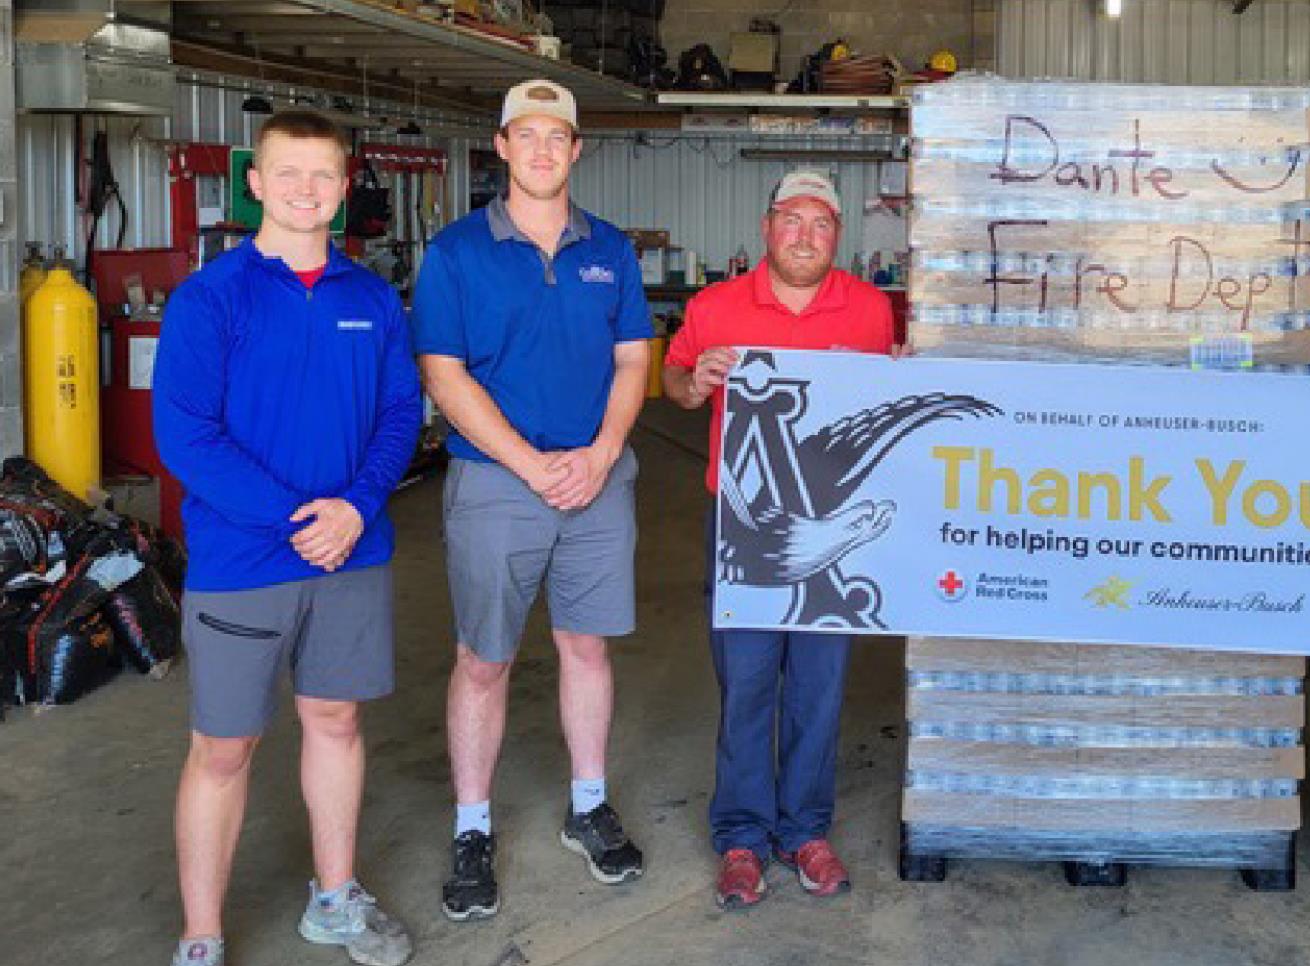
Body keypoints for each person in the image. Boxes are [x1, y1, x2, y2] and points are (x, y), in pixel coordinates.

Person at [154, 110, 422, 966]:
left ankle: (334, 899)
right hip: (243, 561)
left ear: (345, 191)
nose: (307, 191)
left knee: (336, 720)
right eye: (288, 174)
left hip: (351, 550)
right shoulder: (210, 299)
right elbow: (186, 436)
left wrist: (356, 506)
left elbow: (399, 413)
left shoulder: (372, 299)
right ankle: (202, 935)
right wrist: (296, 518)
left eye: (324, 176)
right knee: (224, 746)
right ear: (257, 186)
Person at [411, 79, 653, 922]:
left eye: (559, 136)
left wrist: (601, 452)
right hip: (494, 483)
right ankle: (471, 826)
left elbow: (633, 362)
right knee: (484, 656)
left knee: (586, 648)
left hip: (596, 481)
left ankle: (588, 805)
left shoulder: (611, 250)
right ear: (502, 146)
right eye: (528, 135)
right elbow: (444, 374)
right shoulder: (454, 253)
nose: (544, 149)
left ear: (577, 149)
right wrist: (528, 463)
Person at [662, 170, 896, 909]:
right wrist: (694, 380)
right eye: (790, 219)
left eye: (820, 222)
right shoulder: (716, 305)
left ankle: (805, 831)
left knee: (821, 688)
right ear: (767, 228)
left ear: (838, 236)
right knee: (749, 683)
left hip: (834, 532)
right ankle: (740, 836)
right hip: (742, 532)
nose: (804, 234)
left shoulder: (869, 311)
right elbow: (671, 378)